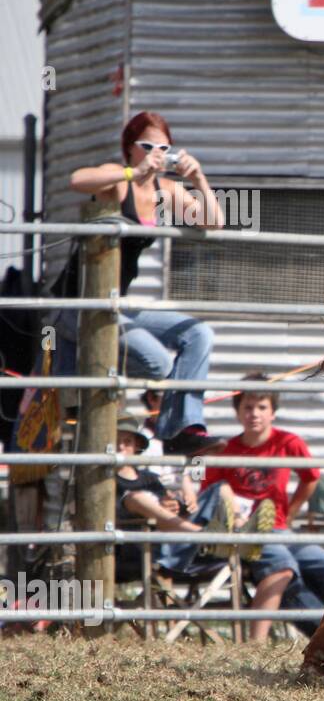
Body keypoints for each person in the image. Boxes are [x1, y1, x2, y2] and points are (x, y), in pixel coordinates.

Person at [70, 111, 224, 457]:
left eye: (164, 147)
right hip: (80, 303)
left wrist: (198, 178)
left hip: (119, 303)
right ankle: (109, 391)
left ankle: (180, 430)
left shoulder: (164, 190)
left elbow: (215, 222)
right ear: (129, 148)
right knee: (157, 361)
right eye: (148, 145)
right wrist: (132, 172)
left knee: (199, 334)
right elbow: (77, 180)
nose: (156, 153)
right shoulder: (116, 180)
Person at [198, 374, 324, 642]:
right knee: (282, 568)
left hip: (281, 529)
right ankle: (256, 642)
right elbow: (208, 493)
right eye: (247, 407)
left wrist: (290, 513)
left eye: (262, 407)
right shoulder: (225, 450)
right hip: (245, 533)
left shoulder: (288, 443)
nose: (254, 414)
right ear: (238, 412)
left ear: (273, 412)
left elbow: (311, 477)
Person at [112, 414, 292, 622]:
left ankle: (238, 535)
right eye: (116, 442)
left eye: (126, 442)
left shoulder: (151, 478)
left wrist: (174, 503)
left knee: (221, 488)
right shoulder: (108, 481)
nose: (121, 448)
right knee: (135, 498)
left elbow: (181, 490)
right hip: (146, 549)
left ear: (135, 447)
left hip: (180, 542)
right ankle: (210, 537)